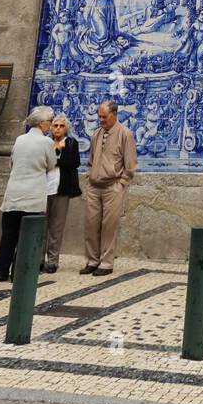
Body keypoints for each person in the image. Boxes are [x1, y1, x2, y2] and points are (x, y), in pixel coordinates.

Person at [0, 106, 56, 282]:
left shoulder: (19, 139)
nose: (50, 126)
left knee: (8, 234)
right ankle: (18, 273)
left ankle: (1, 271)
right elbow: (51, 164)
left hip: (13, 194)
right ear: (43, 123)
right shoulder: (46, 142)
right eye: (50, 122)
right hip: (32, 197)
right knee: (26, 236)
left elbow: (12, 163)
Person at [81, 99, 138, 276]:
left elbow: (130, 166)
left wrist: (120, 185)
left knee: (109, 226)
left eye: (104, 117)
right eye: (99, 116)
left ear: (114, 115)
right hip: (94, 186)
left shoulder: (125, 134)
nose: (101, 120)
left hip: (112, 187)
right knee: (91, 224)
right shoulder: (96, 134)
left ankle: (106, 263)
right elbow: (91, 160)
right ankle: (92, 260)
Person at [42, 113, 81, 273]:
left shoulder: (71, 143)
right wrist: (55, 151)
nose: (58, 128)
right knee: (41, 226)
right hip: (43, 189)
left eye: (61, 126)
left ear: (66, 129)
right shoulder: (45, 143)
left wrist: (56, 158)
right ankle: (38, 259)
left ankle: (52, 261)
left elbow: (74, 162)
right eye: (55, 125)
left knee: (56, 228)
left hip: (62, 189)